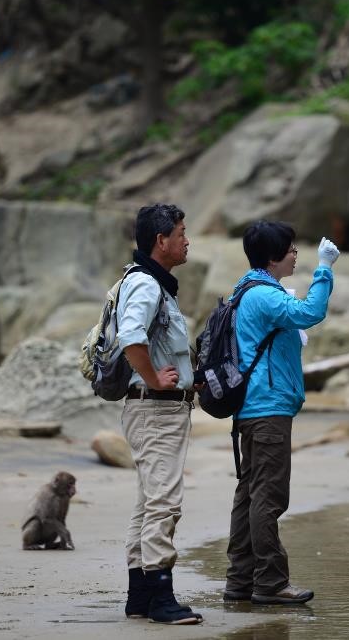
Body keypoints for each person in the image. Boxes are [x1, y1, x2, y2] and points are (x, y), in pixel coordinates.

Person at [223, 221, 339, 605]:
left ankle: (240, 581)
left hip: (251, 409)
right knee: (268, 498)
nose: (296, 254)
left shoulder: (247, 290)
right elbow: (310, 312)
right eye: (290, 249)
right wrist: (325, 268)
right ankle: (270, 582)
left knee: (250, 495)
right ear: (273, 257)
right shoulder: (264, 296)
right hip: (268, 408)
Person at [118, 204, 202, 624]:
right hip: (155, 410)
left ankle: (141, 596)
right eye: (182, 233)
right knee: (164, 503)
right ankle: (162, 597)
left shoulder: (150, 284)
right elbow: (130, 337)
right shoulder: (147, 286)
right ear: (160, 241)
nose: (187, 240)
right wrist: (153, 379)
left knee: (148, 502)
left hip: (152, 408)